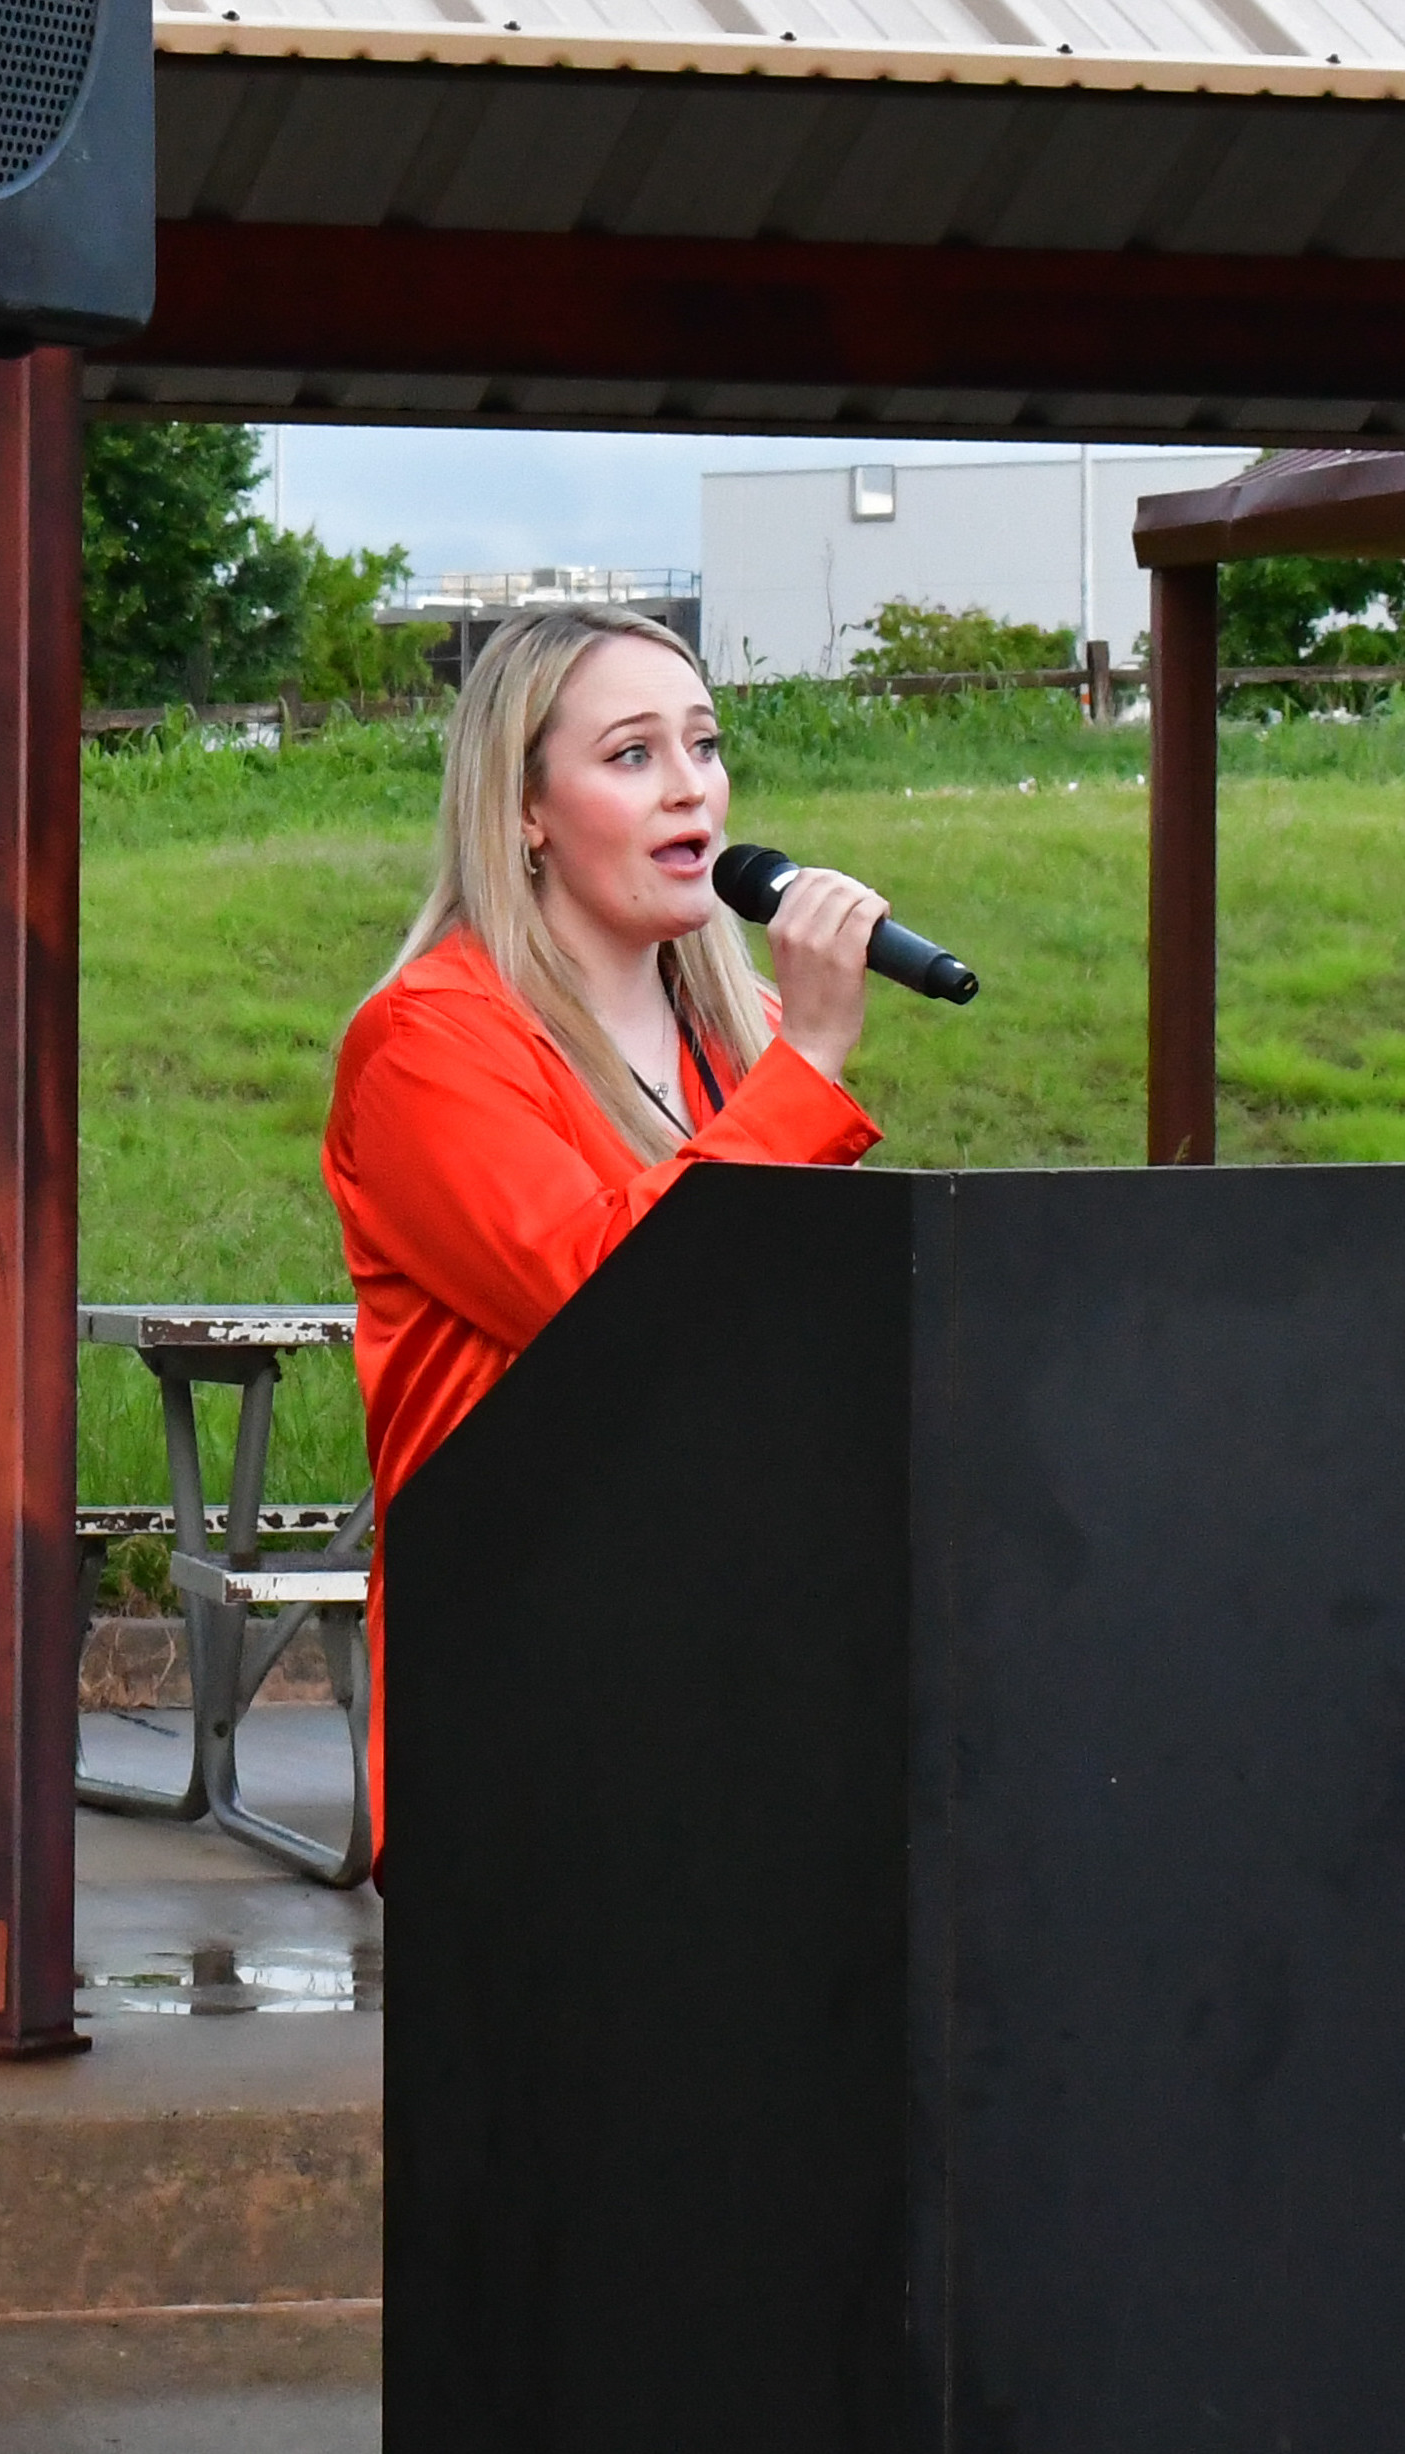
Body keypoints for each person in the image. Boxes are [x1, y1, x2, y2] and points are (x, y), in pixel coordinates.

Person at [320, 603, 889, 1889]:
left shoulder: (741, 1029)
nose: (690, 785)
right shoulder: (429, 1044)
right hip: (537, 1680)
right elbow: (603, 1307)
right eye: (632, 755)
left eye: (704, 743)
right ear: (524, 809)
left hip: (745, 1667)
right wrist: (805, 1073)